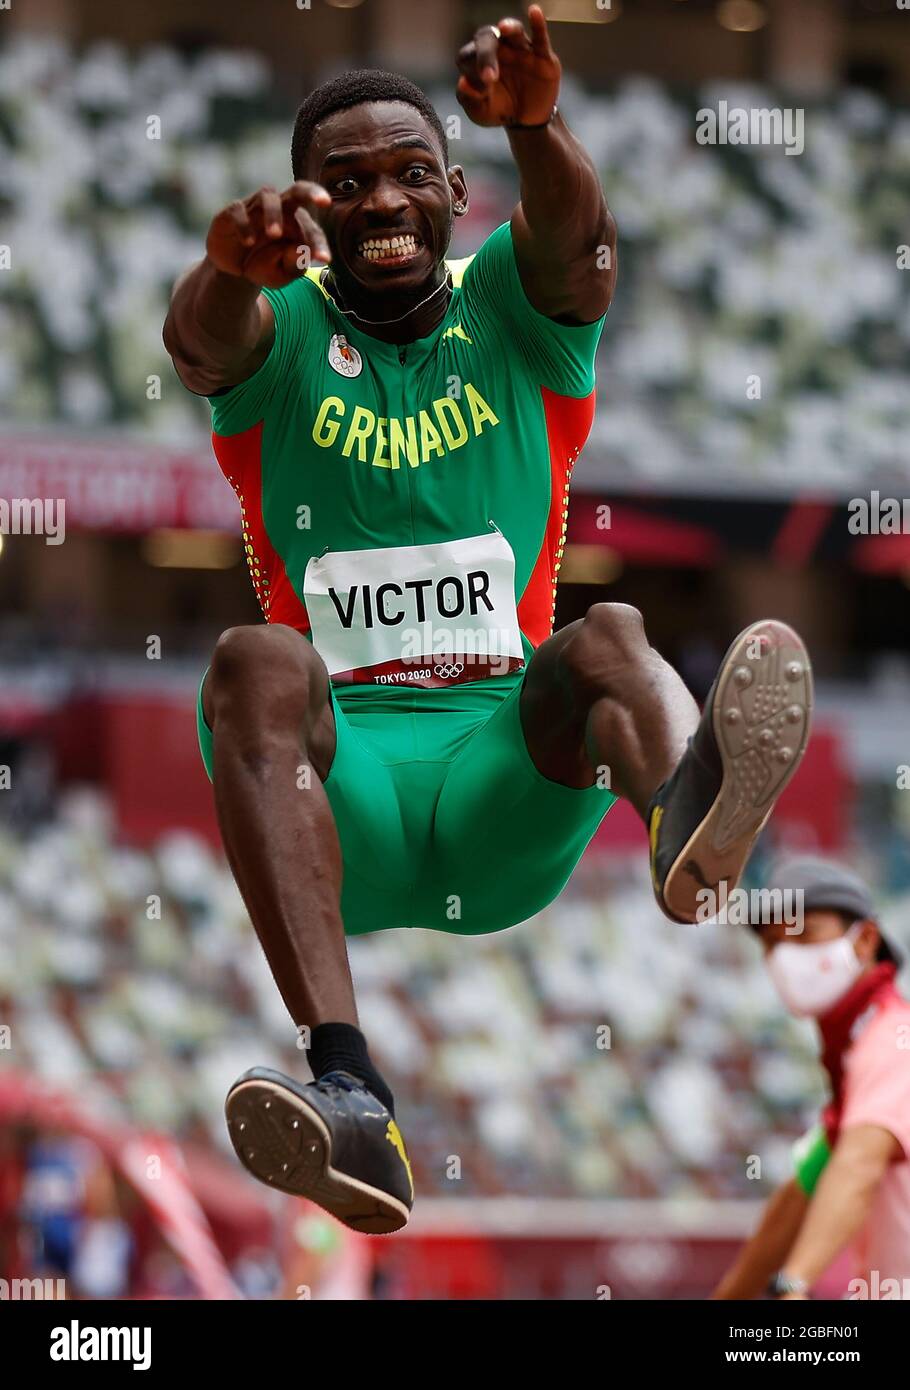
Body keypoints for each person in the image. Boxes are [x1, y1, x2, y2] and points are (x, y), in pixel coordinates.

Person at [163, 8, 812, 1234]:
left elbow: (581, 249)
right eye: (345, 183)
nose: (385, 200)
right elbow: (202, 346)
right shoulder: (284, 331)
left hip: (500, 778)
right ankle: (351, 1092)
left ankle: (689, 824)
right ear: (310, 216)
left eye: (413, 172)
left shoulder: (513, 307)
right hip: (338, 799)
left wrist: (541, 126)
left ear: (461, 192)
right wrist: (221, 275)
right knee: (254, 657)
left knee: (610, 633)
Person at [713, 856, 910, 1300]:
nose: (785, 956)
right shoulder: (851, 1077)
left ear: (865, 942)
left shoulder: (896, 1040)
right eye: (771, 942)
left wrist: (793, 1283)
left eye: (803, 933)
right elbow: (796, 1201)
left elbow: (858, 1166)